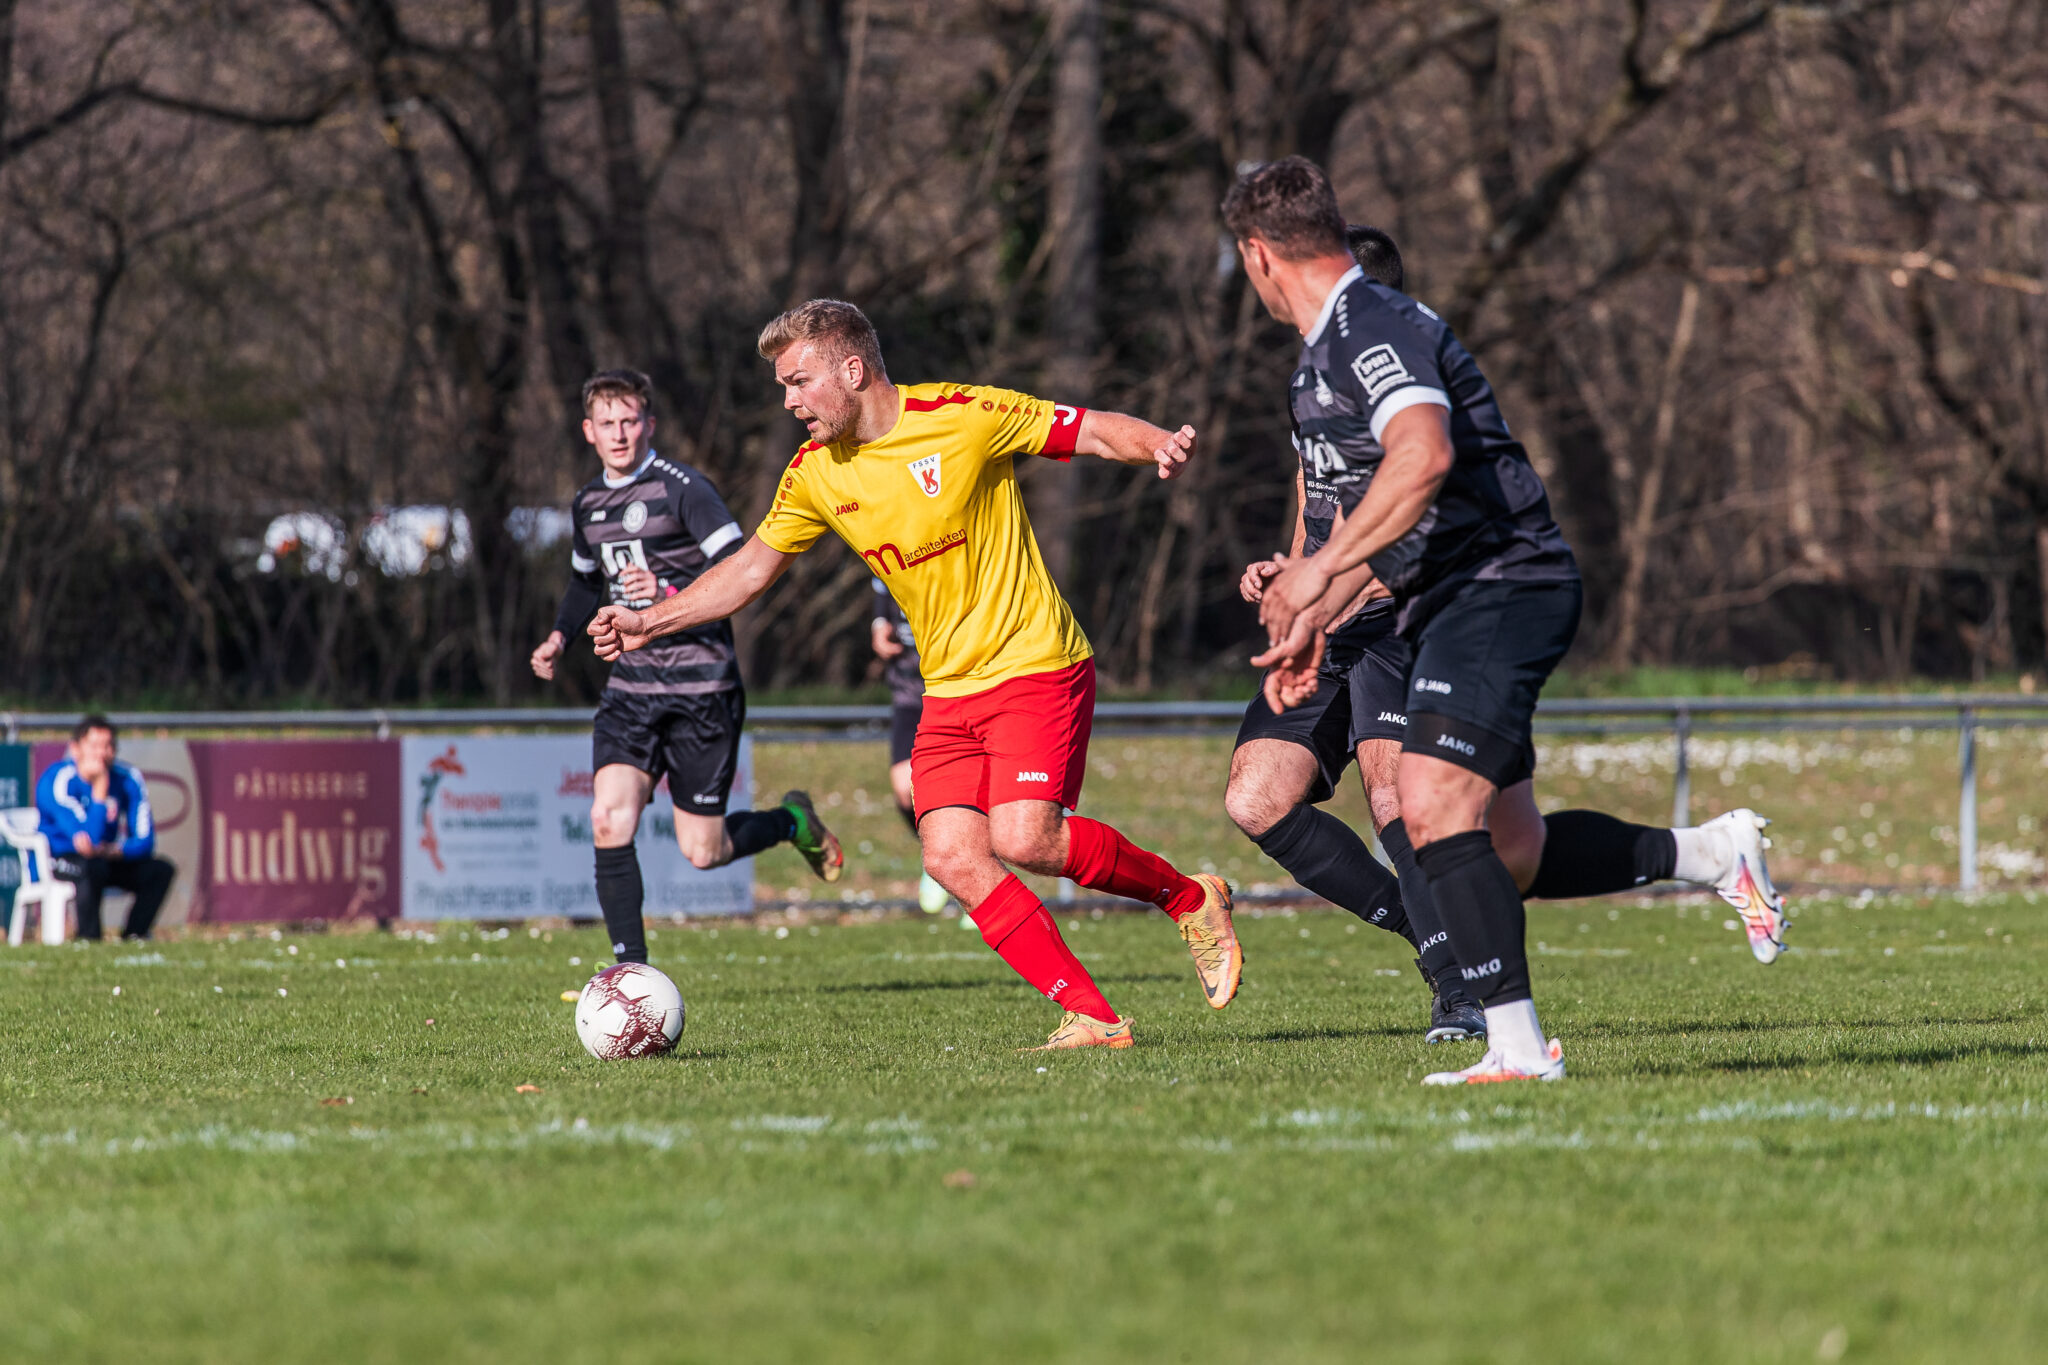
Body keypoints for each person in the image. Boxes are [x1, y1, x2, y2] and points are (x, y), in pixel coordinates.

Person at [1225, 158, 1788, 1084]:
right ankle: (1713, 851)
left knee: (1432, 806)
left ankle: (1516, 1048)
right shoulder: (1325, 352)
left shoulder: (1372, 328)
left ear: (1259, 257)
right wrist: (1311, 612)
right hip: (1444, 595)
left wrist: (1318, 572)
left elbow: (1424, 455)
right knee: (1511, 854)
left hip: (1499, 585)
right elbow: (1367, 511)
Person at [591, 299, 1240, 1050]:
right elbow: (747, 571)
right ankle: (1093, 1017)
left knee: (1026, 838)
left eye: (799, 380)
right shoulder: (813, 474)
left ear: (853, 369)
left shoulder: (961, 415)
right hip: (948, 690)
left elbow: (1083, 428)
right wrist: (649, 620)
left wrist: (1155, 442)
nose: (788, 399)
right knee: (953, 857)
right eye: (783, 385)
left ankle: (1189, 896)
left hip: (1035, 663)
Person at [1227, 221, 1483, 1044]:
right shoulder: (1309, 375)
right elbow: (1317, 501)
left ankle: (1462, 991)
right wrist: (1289, 572)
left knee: (1391, 797)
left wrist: (1331, 589)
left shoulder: (1402, 379)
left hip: (1399, 618)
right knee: (1255, 798)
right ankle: (1428, 930)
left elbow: (1421, 520)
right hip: (1328, 617)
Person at [532, 368, 842, 966]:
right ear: (588, 431)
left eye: (630, 421)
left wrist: (669, 587)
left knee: (704, 851)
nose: (619, 433)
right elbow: (582, 581)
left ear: (648, 424)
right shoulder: (587, 503)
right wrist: (558, 636)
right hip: (632, 687)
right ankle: (631, 972)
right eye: (607, 424)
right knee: (607, 818)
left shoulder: (684, 489)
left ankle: (789, 821)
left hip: (702, 687)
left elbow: (740, 567)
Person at [36, 715, 176, 941]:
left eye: (108, 746)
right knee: (91, 867)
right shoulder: (58, 780)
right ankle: (89, 938)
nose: (101, 753)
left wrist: (116, 851)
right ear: (75, 749)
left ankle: (134, 934)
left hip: (105, 856)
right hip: (62, 859)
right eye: (94, 746)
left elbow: (145, 841)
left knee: (160, 870)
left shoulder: (128, 778)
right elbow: (86, 841)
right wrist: (100, 791)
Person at [870, 578, 957, 920]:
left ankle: (978, 875)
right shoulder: (886, 542)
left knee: (972, 792)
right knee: (904, 791)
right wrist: (879, 627)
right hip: (909, 692)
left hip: (954, 688)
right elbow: (881, 593)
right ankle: (937, 857)